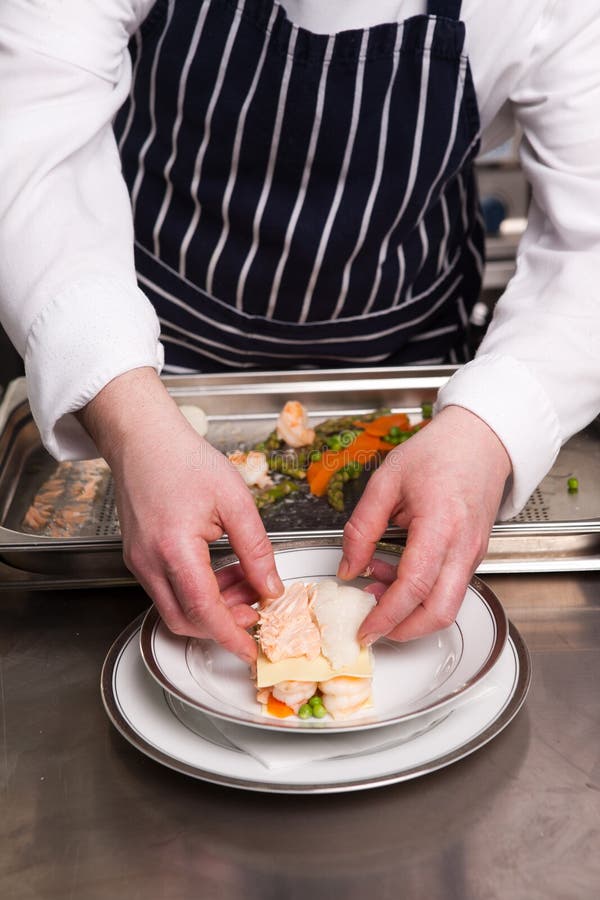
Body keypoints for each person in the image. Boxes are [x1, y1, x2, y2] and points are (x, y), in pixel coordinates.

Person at [1, 0, 599, 662]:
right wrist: (131, 416)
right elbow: (25, 132)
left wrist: (491, 431)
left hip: (416, 366)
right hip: (154, 350)